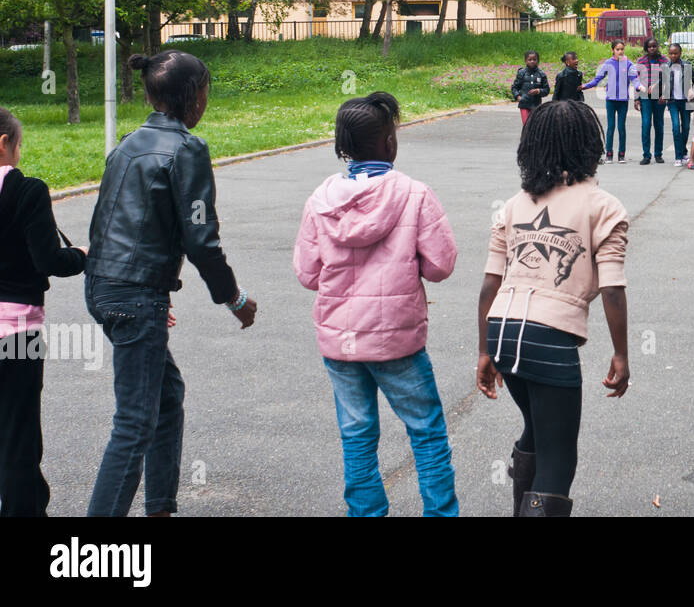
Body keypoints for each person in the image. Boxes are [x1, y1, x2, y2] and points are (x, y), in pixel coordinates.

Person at [85, 51, 256, 517]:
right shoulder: (187, 150)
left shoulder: (126, 145)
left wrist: (138, 293)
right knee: (134, 424)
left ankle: (159, 506)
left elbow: (107, 222)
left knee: (167, 395)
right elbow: (201, 240)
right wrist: (235, 299)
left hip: (103, 287)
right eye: (206, 90)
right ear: (194, 98)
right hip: (134, 296)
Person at [294, 92, 459, 517]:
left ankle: (366, 513)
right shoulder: (415, 195)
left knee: (357, 434)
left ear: (341, 145)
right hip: (397, 342)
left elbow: (308, 274)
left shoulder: (320, 200)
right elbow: (440, 266)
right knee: (426, 432)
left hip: (341, 342)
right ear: (389, 143)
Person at [476, 100, 630, 517]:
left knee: (538, 429)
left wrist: (485, 350)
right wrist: (621, 353)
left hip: (503, 331)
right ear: (590, 146)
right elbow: (613, 288)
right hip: (548, 338)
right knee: (559, 458)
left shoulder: (513, 205)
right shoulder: (603, 206)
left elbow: (491, 281)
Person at [0, 108, 87, 517]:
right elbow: (49, 260)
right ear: (5, 144)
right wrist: (83, 254)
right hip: (17, 333)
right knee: (18, 435)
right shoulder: (27, 191)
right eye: (19, 145)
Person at [582, 40, 644, 164]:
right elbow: (597, 79)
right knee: (610, 127)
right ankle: (609, 154)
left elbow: (634, 79)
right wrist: (586, 86)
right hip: (610, 100)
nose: (620, 51)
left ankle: (621, 154)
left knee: (621, 127)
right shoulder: (608, 63)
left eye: (622, 49)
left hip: (623, 101)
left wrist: (639, 86)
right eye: (618, 49)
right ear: (613, 50)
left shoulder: (628, 64)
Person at [633, 38, 669, 165]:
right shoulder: (641, 61)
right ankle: (646, 155)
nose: (652, 48)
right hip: (645, 97)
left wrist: (665, 95)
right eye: (649, 47)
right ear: (646, 48)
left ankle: (658, 154)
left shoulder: (665, 61)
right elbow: (636, 80)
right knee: (646, 124)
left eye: (654, 46)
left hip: (659, 98)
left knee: (659, 125)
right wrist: (636, 98)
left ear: (657, 46)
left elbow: (667, 79)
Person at [511, 50, 550, 125]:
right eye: (530, 59)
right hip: (524, 104)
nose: (532, 61)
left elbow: (546, 90)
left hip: (536, 105)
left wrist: (538, 91)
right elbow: (514, 87)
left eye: (534, 59)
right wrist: (518, 96)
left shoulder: (542, 74)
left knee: (535, 126)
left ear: (538, 61)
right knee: (527, 125)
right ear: (526, 61)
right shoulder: (521, 73)